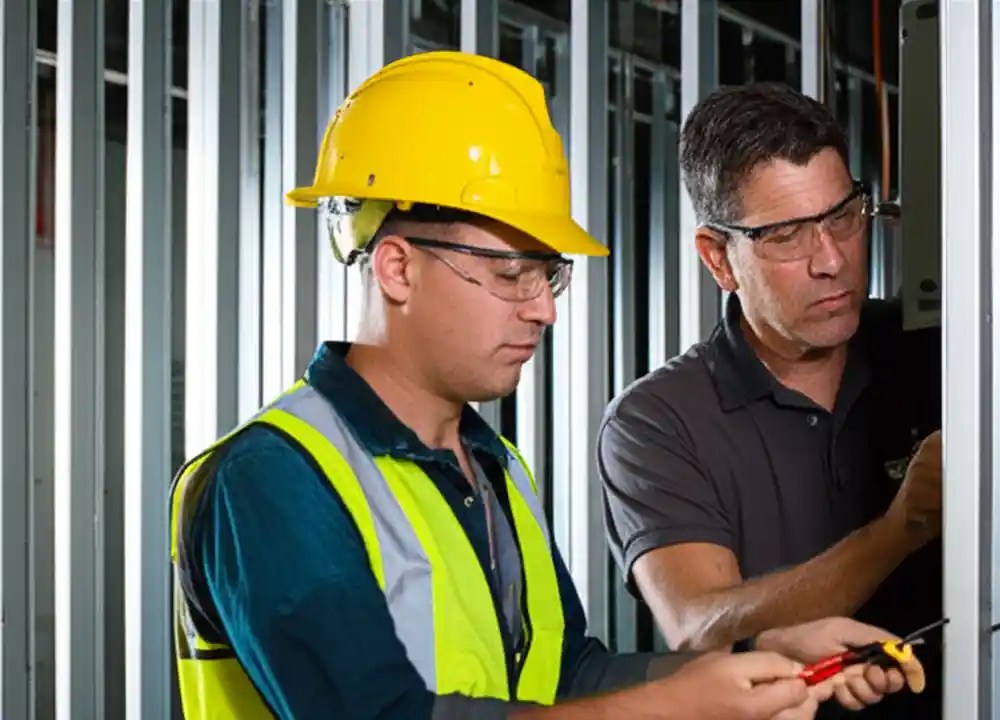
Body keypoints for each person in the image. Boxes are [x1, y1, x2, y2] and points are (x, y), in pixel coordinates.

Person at [167, 52, 926, 720]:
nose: (545, 309)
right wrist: (671, 708)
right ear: (397, 267)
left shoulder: (491, 467)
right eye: (511, 274)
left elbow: (570, 678)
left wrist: (761, 655)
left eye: (548, 274)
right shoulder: (272, 479)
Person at [597, 82, 945, 719]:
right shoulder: (658, 422)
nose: (832, 260)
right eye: (786, 236)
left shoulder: (939, 357)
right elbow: (698, 627)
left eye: (843, 216)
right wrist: (902, 530)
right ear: (718, 259)